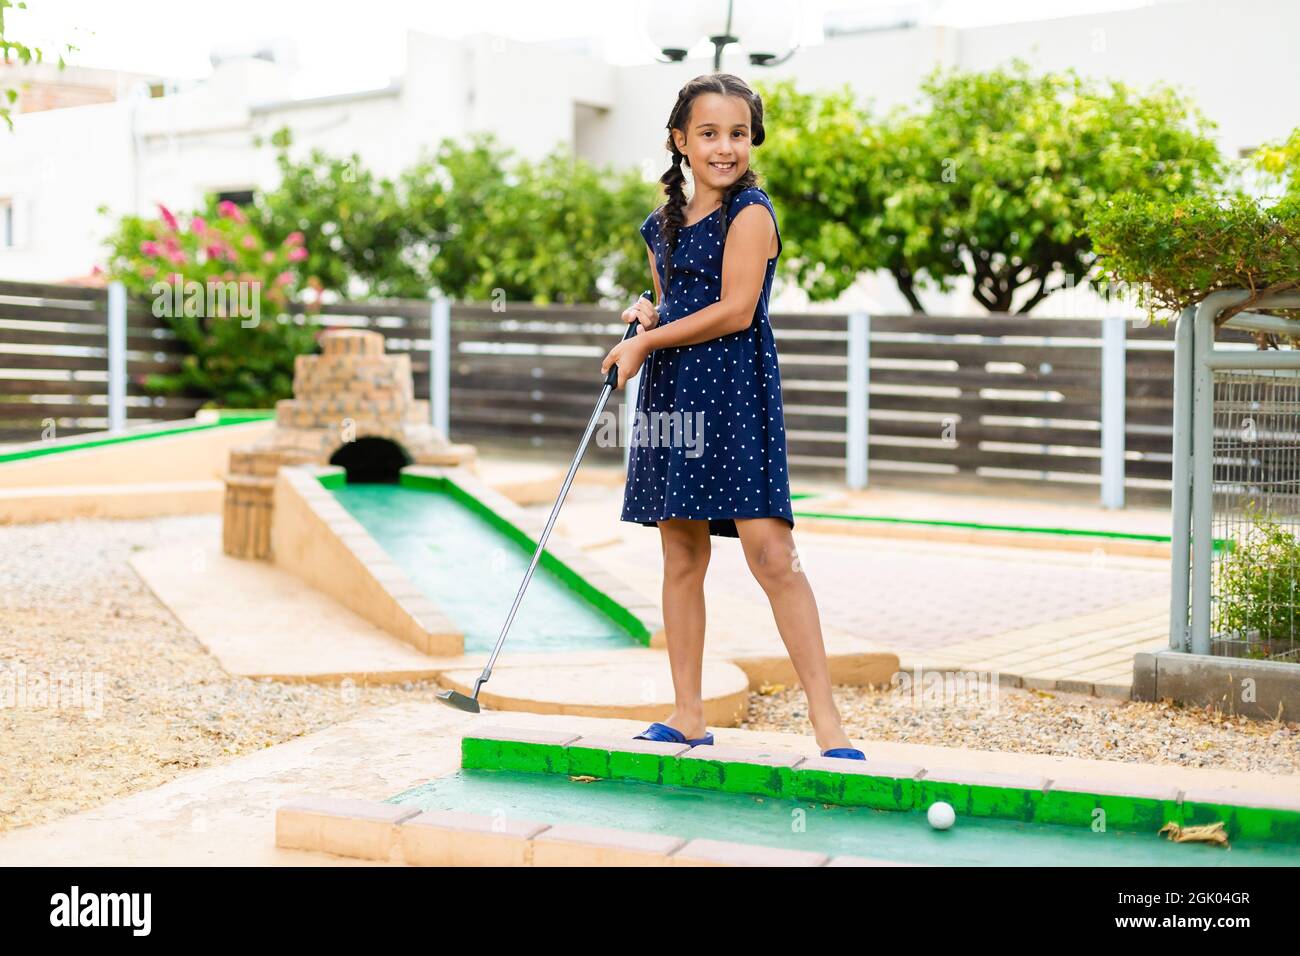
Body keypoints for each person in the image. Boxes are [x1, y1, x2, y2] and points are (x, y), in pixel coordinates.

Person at [599, 73, 866, 761]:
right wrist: (647, 316)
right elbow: (675, 305)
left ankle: (828, 724)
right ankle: (688, 714)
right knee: (682, 553)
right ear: (680, 141)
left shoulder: (751, 213)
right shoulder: (659, 227)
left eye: (739, 134)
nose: (725, 147)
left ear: (753, 140)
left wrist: (647, 342)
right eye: (710, 133)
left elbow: (736, 310)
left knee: (771, 554)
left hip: (735, 394)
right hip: (674, 396)